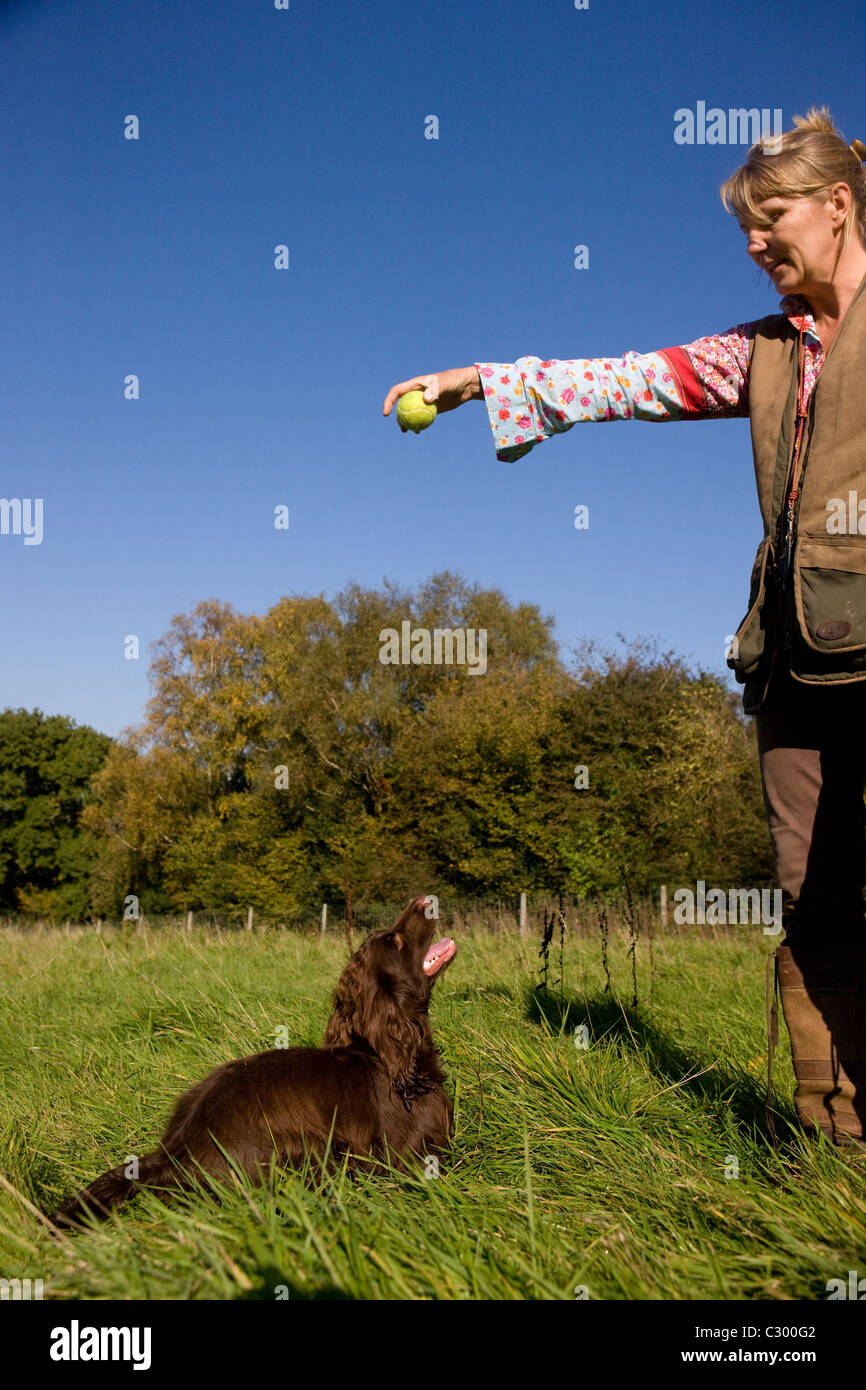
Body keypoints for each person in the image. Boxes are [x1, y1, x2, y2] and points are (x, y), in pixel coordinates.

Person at [383, 107, 866, 1151]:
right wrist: (481, 380)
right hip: (791, 674)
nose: (750, 241)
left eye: (767, 216)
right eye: (743, 224)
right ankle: (838, 1148)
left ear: (836, 207)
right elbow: (630, 377)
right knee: (814, 922)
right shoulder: (765, 354)